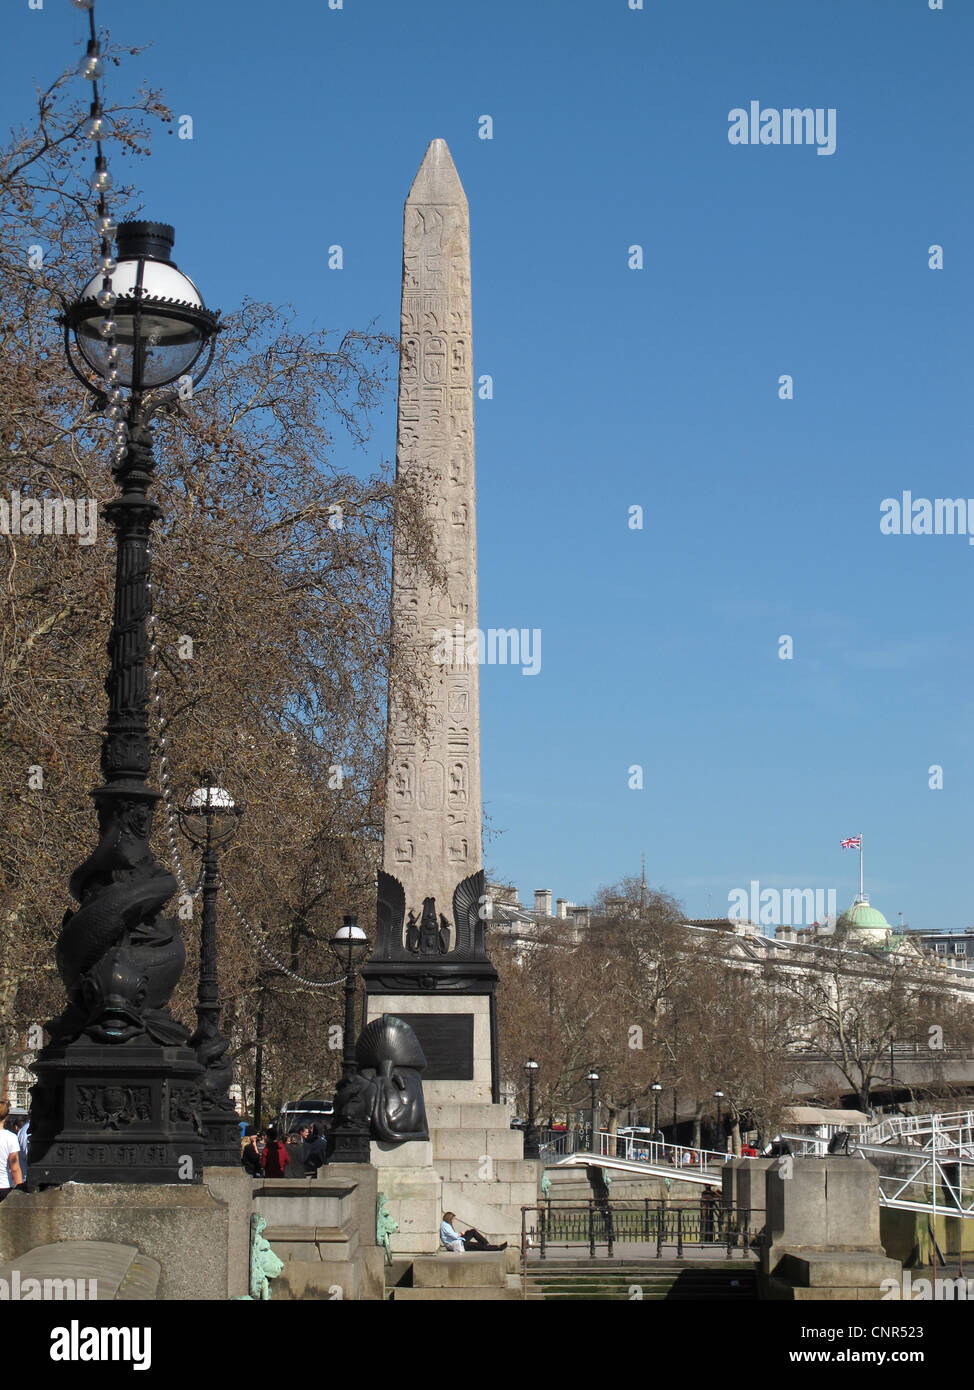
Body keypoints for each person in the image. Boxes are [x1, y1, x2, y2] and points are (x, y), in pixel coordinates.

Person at [439, 1211, 507, 1253]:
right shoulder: (445, 1225)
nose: (453, 1221)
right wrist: (461, 1233)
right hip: (457, 1244)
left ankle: (490, 1245)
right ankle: (495, 1246)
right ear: (449, 1218)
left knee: (474, 1235)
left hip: (459, 1242)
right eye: (453, 1219)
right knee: (478, 1243)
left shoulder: (445, 1224)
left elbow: (453, 1235)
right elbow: (454, 1236)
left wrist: (460, 1234)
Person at [0, 1105, 24, 1202]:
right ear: (6, 1117)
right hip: (4, 1185)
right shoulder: (11, 1138)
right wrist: (20, 1190)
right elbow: (15, 1168)